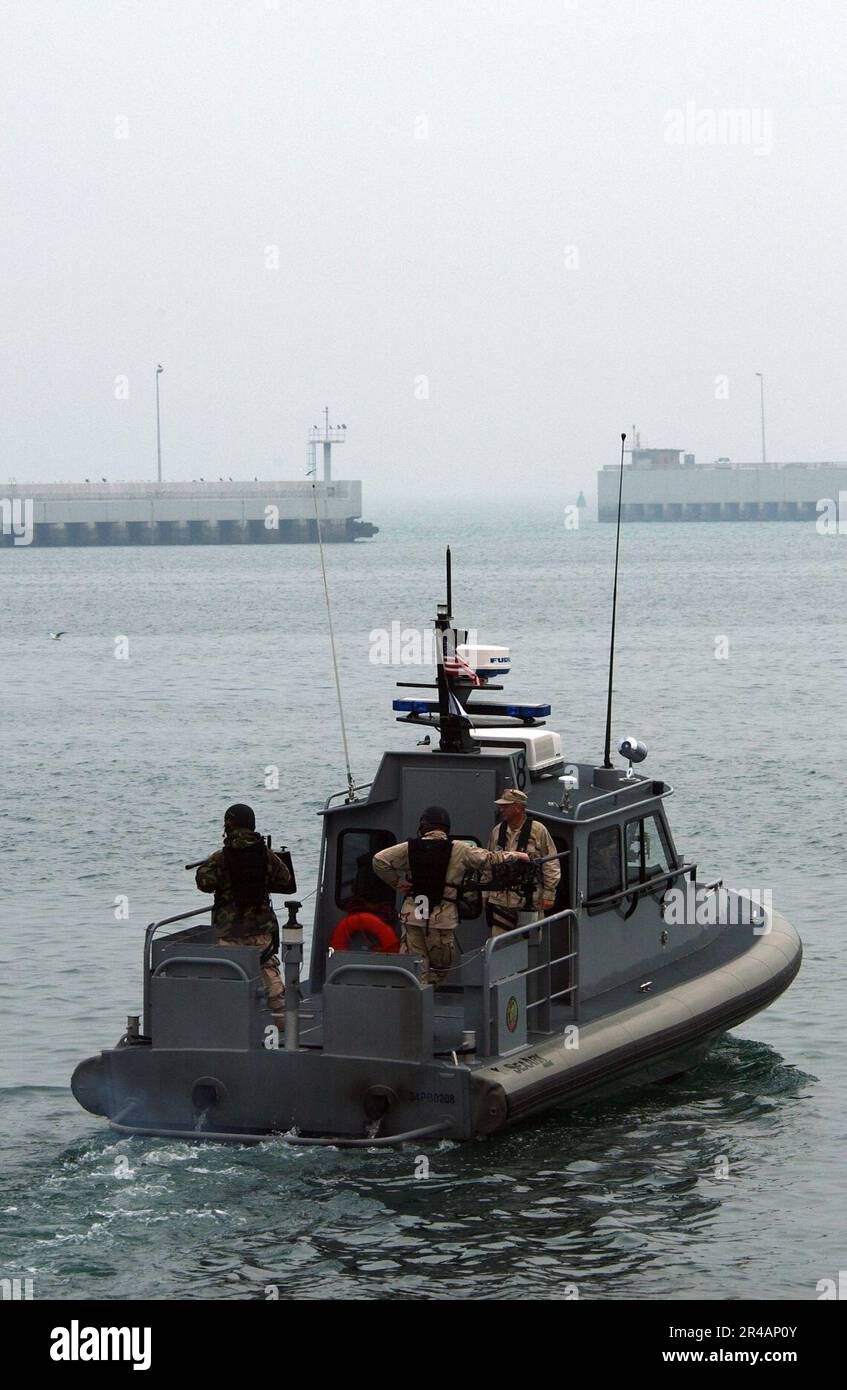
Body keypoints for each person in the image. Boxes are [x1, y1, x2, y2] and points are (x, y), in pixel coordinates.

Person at [372, 805, 529, 985]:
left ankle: (418, 1000)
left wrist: (398, 882)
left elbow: (379, 860)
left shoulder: (409, 848)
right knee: (440, 969)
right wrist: (515, 855)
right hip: (441, 920)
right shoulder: (459, 849)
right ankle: (428, 996)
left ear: (423, 827)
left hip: (412, 917)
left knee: (414, 968)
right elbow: (489, 859)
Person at [195, 803, 292, 1025]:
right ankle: (282, 1023)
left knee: (231, 978)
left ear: (228, 826)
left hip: (229, 931)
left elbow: (204, 883)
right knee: (269, 973)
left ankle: (230, 1027)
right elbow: (285, 879)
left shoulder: (221, 858)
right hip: (260, 928)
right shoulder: (266, 855)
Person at [485, 788, 561, 935]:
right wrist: (485, 894)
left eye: (506, 806)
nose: (501, 810)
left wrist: (549, 895)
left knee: (529, 944)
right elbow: (488, 862)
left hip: (529, 899)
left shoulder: (538, 831)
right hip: (500, 900)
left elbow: (551, 862)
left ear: (518, 808)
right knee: (499, 943)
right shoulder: (497, 831)